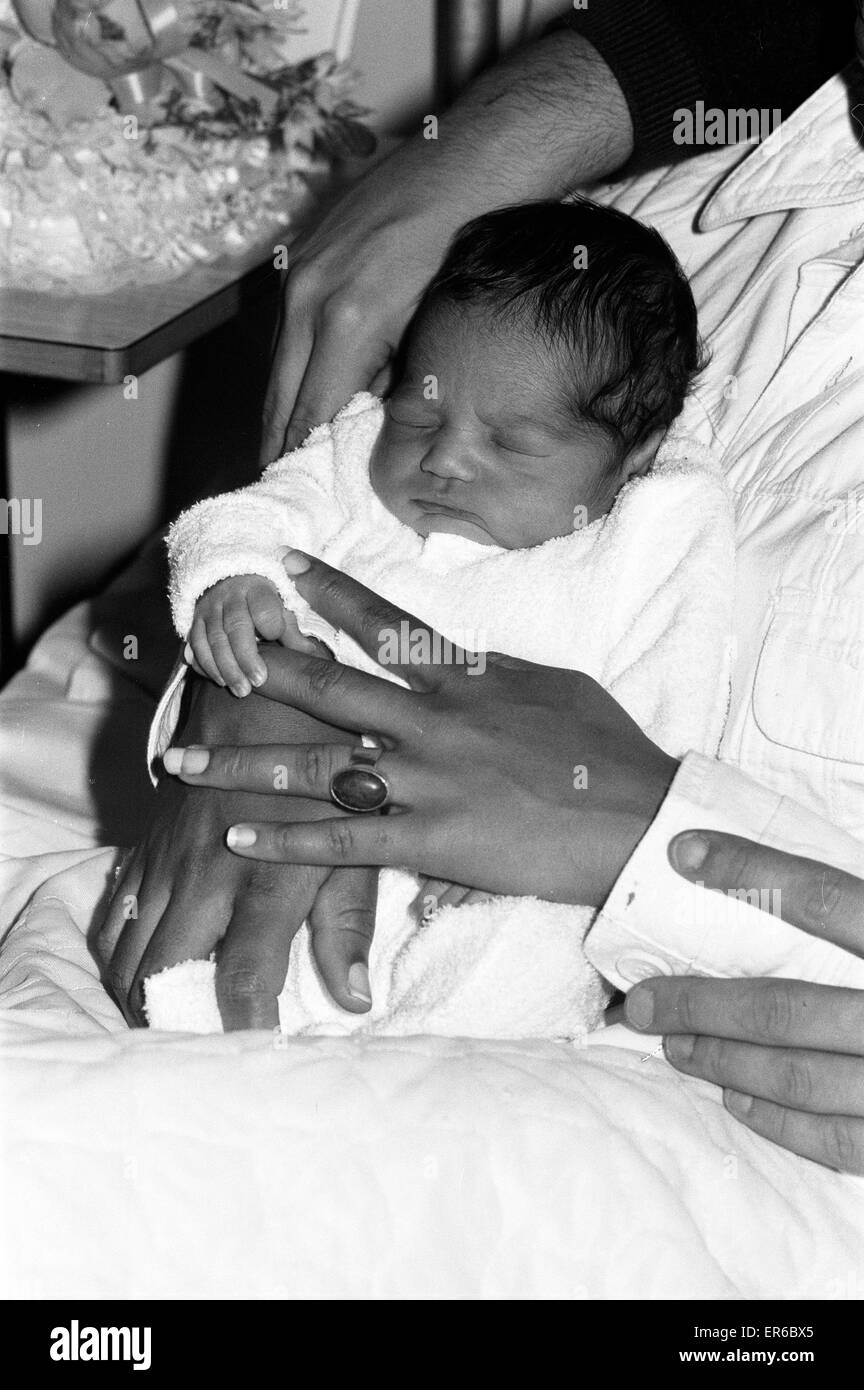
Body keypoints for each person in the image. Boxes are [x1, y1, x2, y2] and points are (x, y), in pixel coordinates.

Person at [101, 4, 864, 1171]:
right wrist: (253, 684)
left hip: (623, 1134)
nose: (452, 457)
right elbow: (292, 503)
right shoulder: (621, 244)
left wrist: (633, 841)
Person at [145, 198, 731, 1037]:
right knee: (203, 968)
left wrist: (564, 841)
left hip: (505, 866)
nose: (445, 458)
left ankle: (443, 1070)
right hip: (301, 811)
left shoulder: (647, 536)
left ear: (633, 456)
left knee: (524, 964)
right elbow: (246, 514)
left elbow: (672, 709)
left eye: (512, 445)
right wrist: (233, 577)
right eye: (420, 415)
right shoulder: (353, 459)